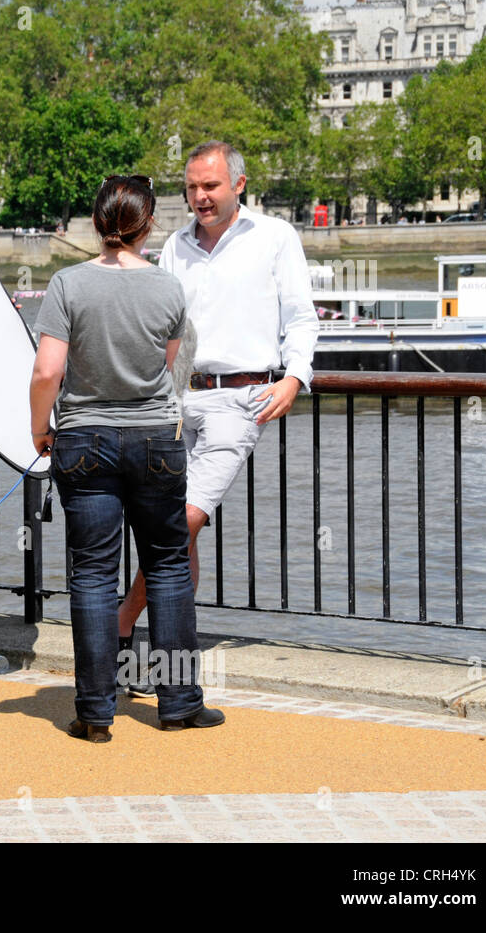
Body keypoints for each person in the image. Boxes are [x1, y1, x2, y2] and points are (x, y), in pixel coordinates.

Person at [30, 174, 221, 742]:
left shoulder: (67, 284)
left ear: (97, 223)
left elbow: (47, 371)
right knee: (167, 567)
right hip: (155, 440)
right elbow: (169, 366)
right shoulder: (168, 288)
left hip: (84, 440)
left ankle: (94, 713)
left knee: (91, 576)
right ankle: (180, 703)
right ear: (146, 226)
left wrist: (40, 428)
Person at [116, 141, 318, 668]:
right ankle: (173, 654)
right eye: (191, 188)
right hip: (177, 398)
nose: (200, 197)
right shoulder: (176, 247)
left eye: (210, 186)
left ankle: (120, 625)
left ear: (239, 185)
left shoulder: (275, 237)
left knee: (181, 521)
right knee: (178, 531)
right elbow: (163, 328)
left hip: (242, 399)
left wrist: (295, 377)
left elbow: (300, 315)